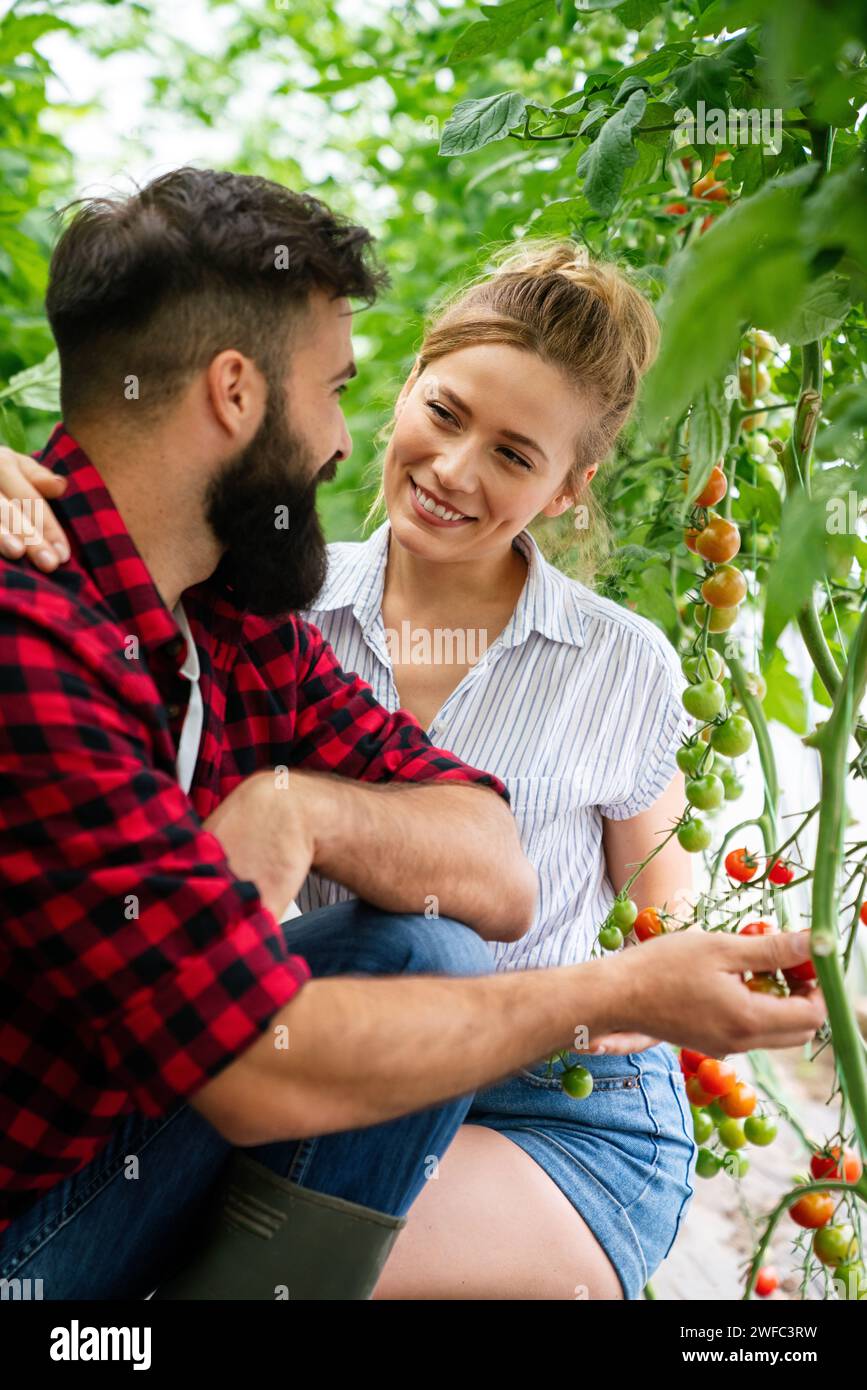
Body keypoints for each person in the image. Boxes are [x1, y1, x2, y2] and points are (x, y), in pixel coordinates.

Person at [0, 169, 825, 1302]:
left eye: (516, 455)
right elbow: (249, 1065)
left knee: (414, 969)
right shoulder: (168, 621)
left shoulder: (242, 631)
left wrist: (305, 804)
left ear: (569, 490)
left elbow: (547, 884)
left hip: (548, 1094)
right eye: (385, 399)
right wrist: (624, 989)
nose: (433, 465)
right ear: (237, 394)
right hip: (194, 1118)